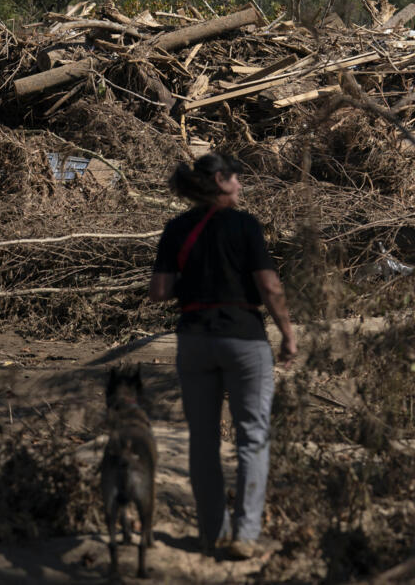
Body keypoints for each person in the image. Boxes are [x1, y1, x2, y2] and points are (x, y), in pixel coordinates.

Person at [148, 152, 297, 559]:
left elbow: (159, 291)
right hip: (244, 339)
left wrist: (194, 284)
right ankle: (245, 535)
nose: (241, 185)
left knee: (203, 440)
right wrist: (287, 332)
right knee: (253, 437)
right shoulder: (245, 225)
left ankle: (212, 533)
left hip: (194, 338)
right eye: (237, 178)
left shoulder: (176, 228)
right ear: (219, 179)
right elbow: (269, 286)